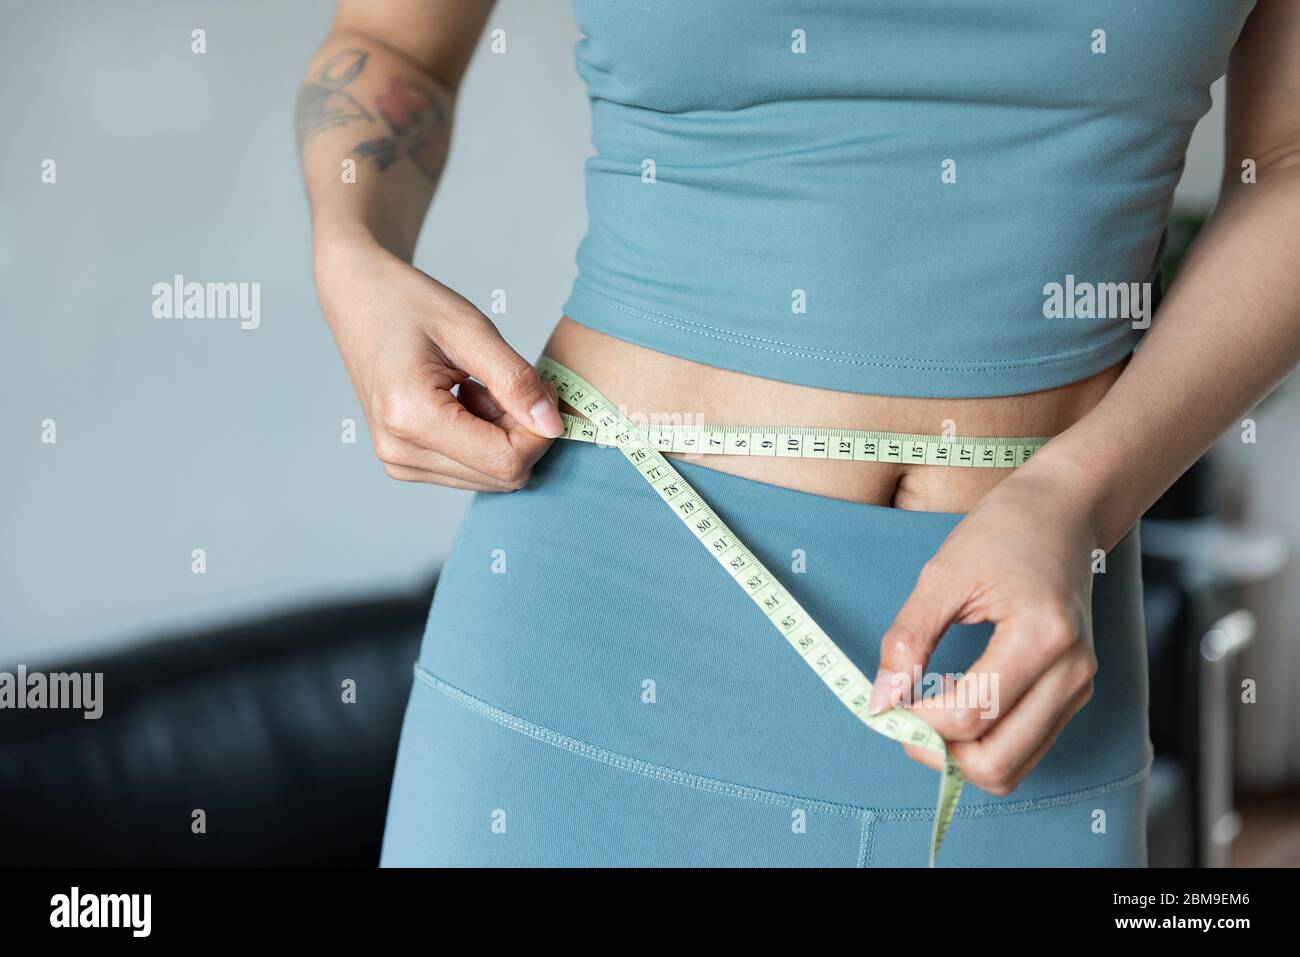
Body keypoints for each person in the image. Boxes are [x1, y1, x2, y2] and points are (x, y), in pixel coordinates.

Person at [296, 0, 1300, 866]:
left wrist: (1079, 493)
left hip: (1014, 678)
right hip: (596, 627)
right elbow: (394, 44)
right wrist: (351, 254)